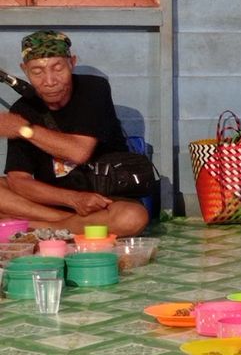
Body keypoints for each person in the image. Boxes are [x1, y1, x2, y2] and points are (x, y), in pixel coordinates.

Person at [0, 30, 149, 236]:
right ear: (24, 70)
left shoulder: (93, 89)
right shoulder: (22, 110)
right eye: (37, 71)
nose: (49, 80)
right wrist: (72, 200)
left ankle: (39, 225)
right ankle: (63, 224)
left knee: (132, 217)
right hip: (55, 201)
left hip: (104, 201)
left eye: (58, 67)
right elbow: (18, 180)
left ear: (72, 62)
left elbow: (79, 152)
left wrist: (24, 130)